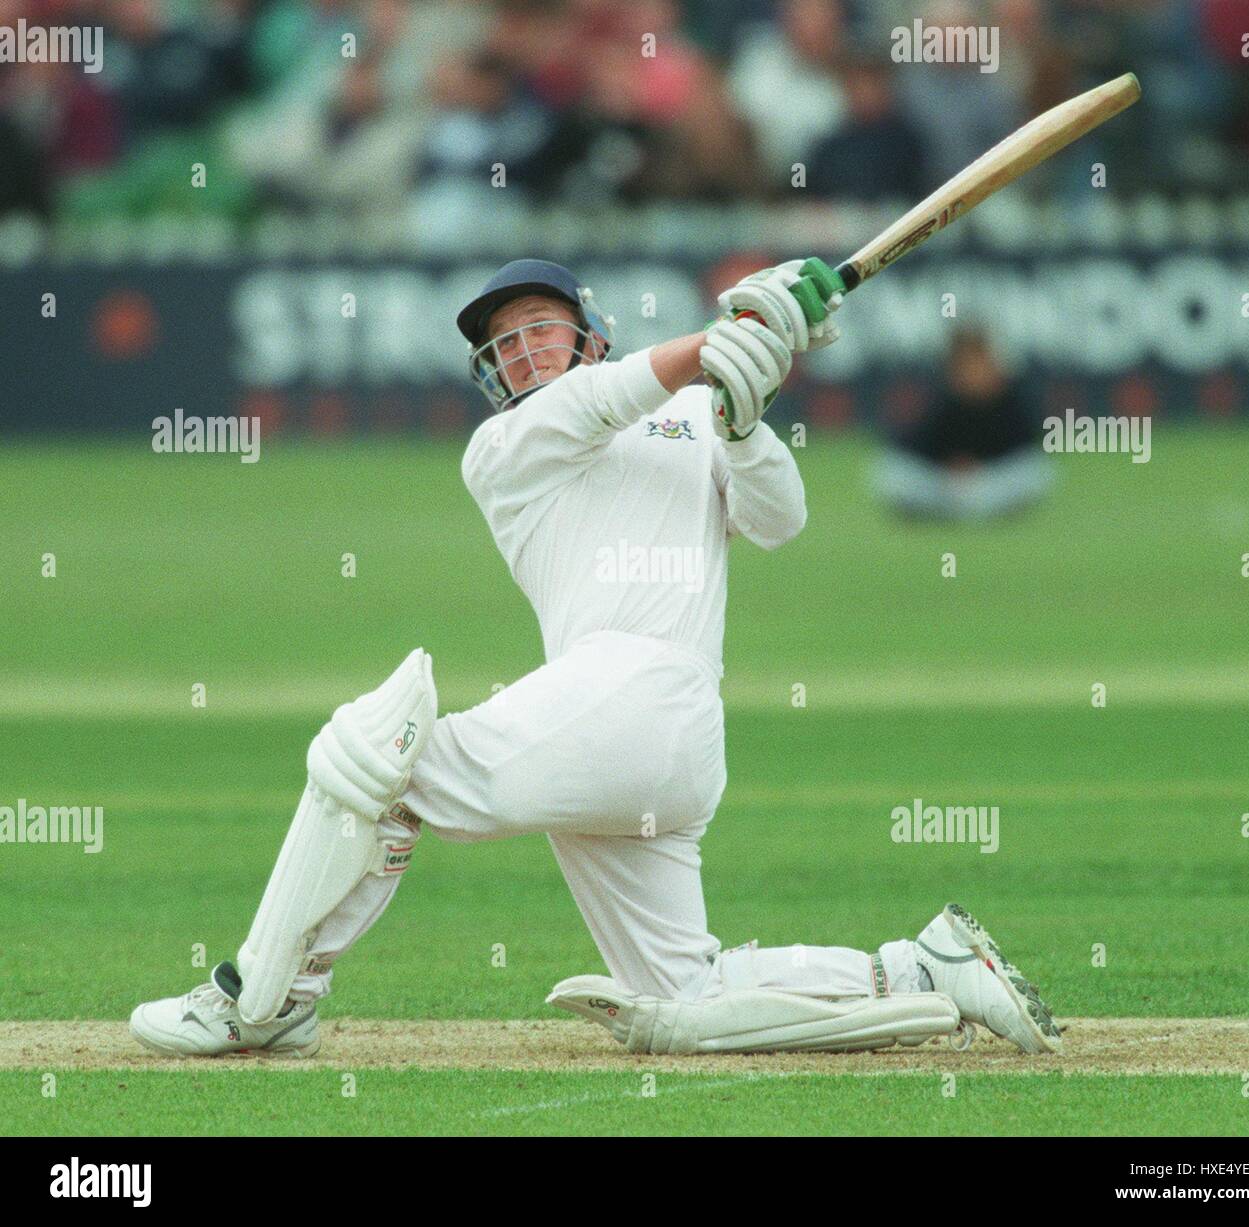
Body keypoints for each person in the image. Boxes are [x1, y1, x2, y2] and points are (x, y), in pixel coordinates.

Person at [130, 258, 1061, 1057]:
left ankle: (264, 996)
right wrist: (714, 347)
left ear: (591, 334)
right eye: (506, 341)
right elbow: (601, 402)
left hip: (661, 701)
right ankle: (917, 964)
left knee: (379, 766)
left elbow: (781, 520)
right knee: (688, 997)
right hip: (615, 721)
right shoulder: (504, 447)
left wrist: (739, 417)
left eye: (544, 326)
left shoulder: (696, 417)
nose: (526, 347)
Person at [876, 326, 1054, 521]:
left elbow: (1025, 445)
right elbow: (913, 445)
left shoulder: (1012, 397)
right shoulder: (938, 394)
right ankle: (955, 514)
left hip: (991, 482)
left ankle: (973, 514)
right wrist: (952, 467)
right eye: (965, 363)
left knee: (1036, 471)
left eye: (978, 361)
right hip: (943, 484)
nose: (973, 371)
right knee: (891, 474)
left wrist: (979, 467)